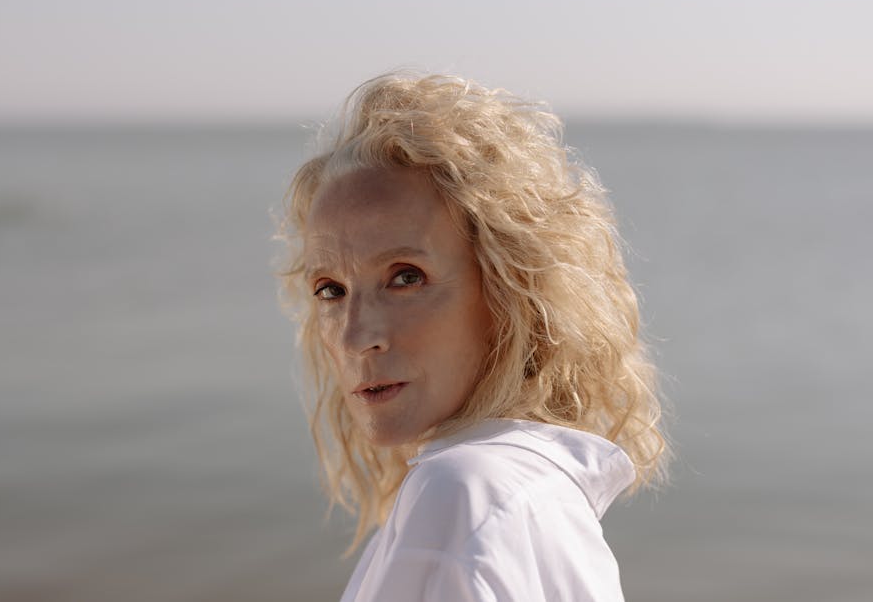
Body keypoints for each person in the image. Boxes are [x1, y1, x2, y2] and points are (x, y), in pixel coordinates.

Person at [277, 72, 669, 601]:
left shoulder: (461, 496)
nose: (354, 337)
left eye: (405, 277)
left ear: (512, 291)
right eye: (330, 290)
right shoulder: (536, 490)